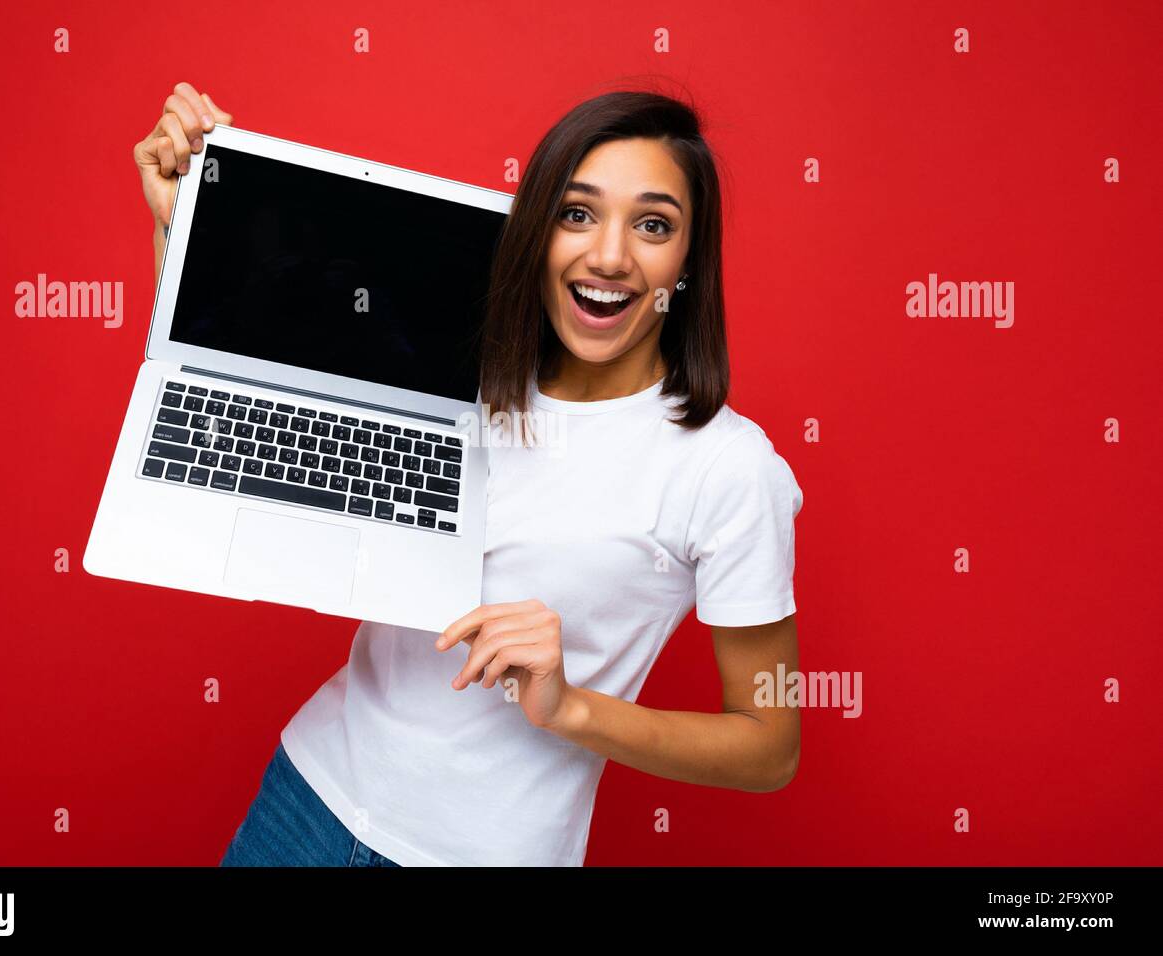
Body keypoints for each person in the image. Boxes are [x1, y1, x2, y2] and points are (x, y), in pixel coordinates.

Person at [134, 82, 804, 867]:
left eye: (653, 224)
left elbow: (769, 746)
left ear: (687, 261)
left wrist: (572, 709)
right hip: (308, 798)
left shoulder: (729, 467)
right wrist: (175, 228)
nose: (611, 255)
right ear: (537, 231)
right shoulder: (465, 362)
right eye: (577, 212)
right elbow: (240, 397)